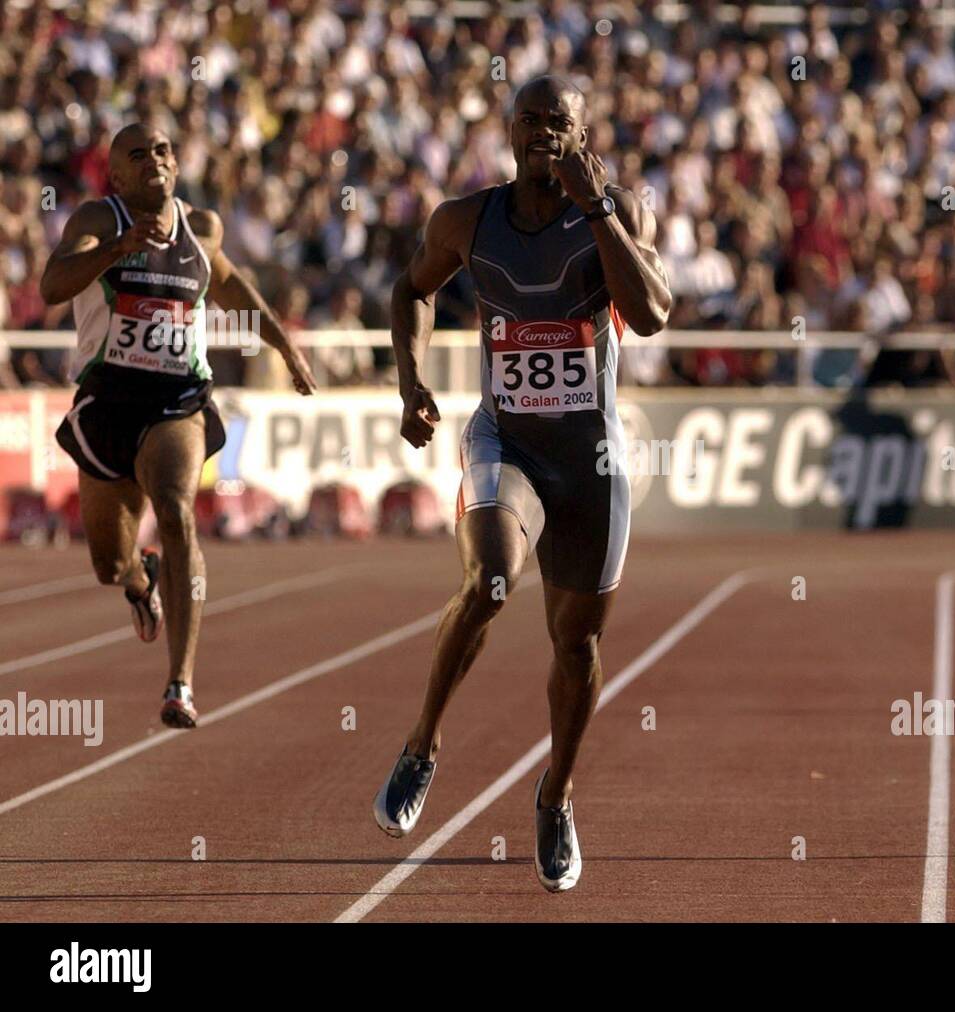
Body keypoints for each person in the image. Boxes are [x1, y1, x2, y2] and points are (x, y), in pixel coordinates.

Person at [373, 76, 671, 892]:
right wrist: (411, 382)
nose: (543, 132)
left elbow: (650, 314)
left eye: (559, 122)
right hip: (504, 437)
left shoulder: (616, 212)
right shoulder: (467, 220)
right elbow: (410, 289)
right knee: (490, 580)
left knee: (576, 643)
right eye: (530, 119)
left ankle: (556, 794)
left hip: (591, 459)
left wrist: (600, 206)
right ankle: (423, 744)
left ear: (581, 134)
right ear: (509, 130)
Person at [40, 123, 316, 727]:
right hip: (108, 401)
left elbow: (234, 288)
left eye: (163, 150)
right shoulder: (96, 220)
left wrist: (285, 348)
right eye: (137, 155)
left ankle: (180, 683)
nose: (154, 161)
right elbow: (52, 284)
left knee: (174, 506)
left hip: (177, 399)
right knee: (109, 565)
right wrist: (117, 249)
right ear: (116, 174)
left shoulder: (202, 227)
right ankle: (144, 581)